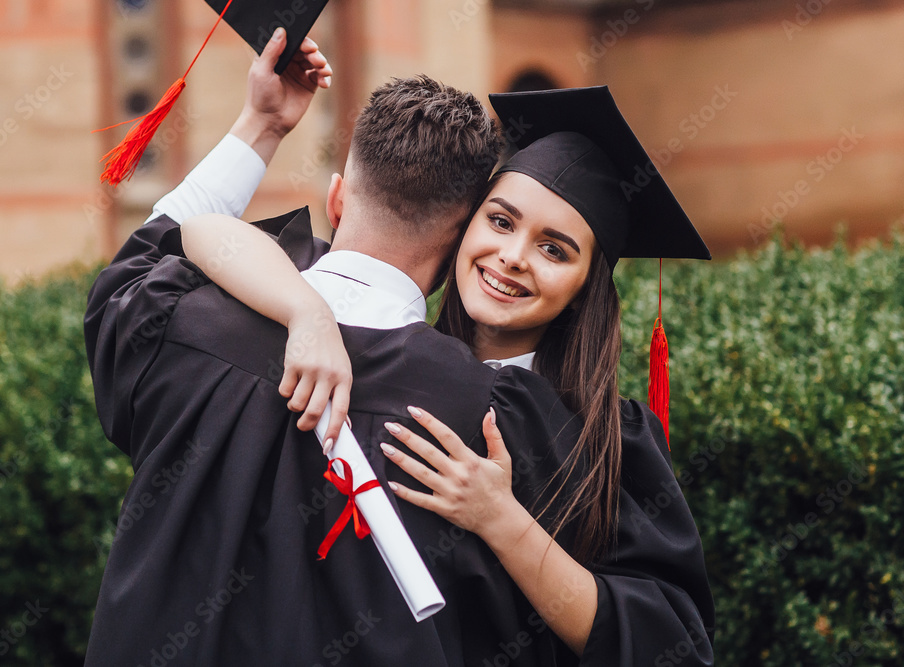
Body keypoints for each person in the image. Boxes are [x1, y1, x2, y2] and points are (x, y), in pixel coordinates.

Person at [84, 29, 605, 666]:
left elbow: (155, 242)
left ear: (336, 199)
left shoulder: (172, 324)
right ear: (461, 241)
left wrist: (263, 122)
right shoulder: (491, 421)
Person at [171, 63, 715, 666]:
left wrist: (501, 519)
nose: (512, 258)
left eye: (554, 249)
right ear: (463, 226)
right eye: (501, 221)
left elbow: (671, 647)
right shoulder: (371, 351)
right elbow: (196, 236)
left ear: (588, 284)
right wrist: (307, 312)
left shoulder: (600, 437)